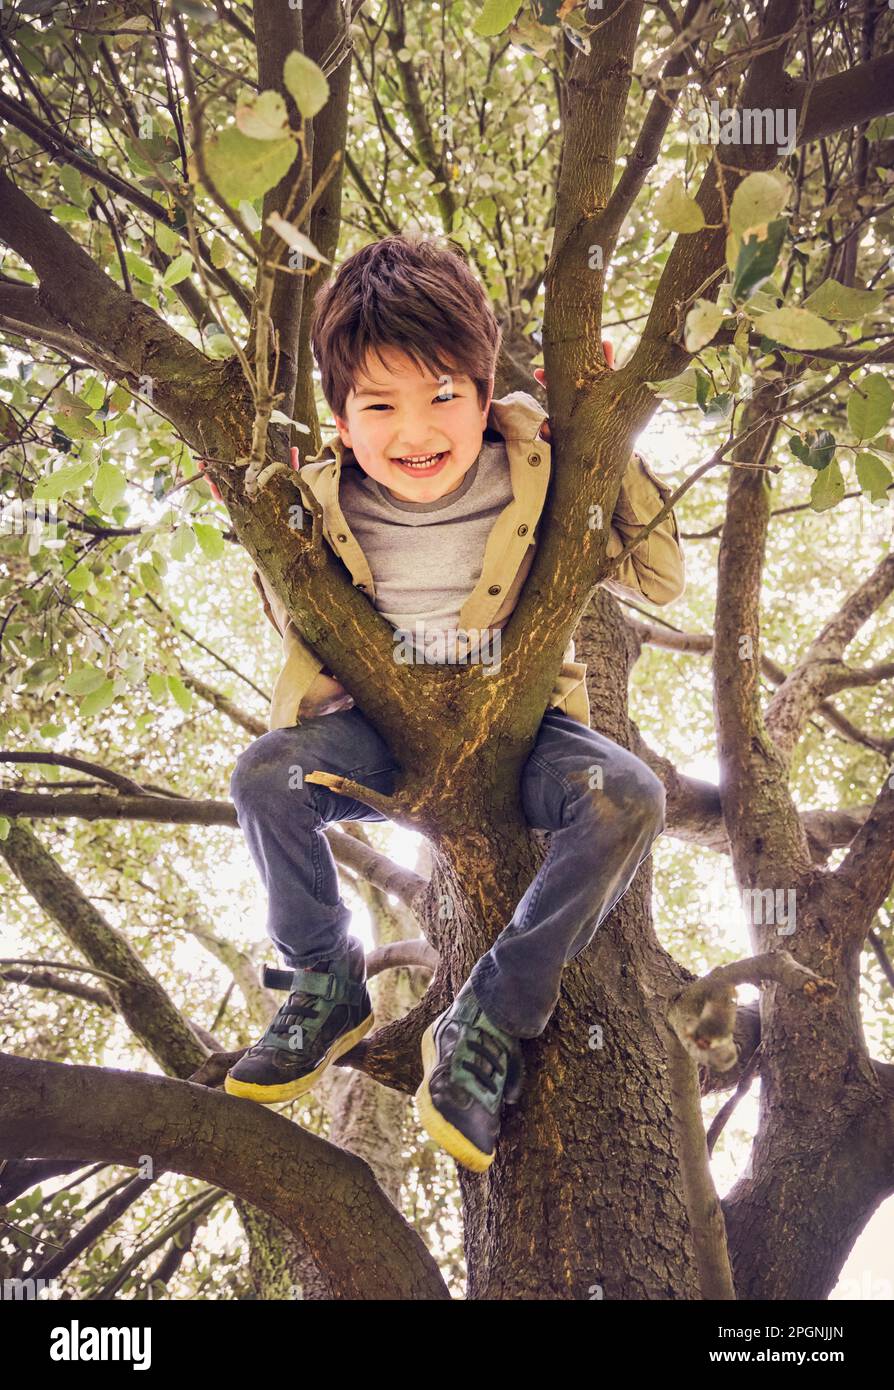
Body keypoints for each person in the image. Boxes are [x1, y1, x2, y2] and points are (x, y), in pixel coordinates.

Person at [224, 235, 685, 1172]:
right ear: (345, 423)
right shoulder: (317, 494)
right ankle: (326, 979)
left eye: (444, 395)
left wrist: (602, 431)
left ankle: (491, 1014)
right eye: (380, 405)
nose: (417, 429)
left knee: (627, 795)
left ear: (483, 395)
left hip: (520, 726)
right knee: (266, 773)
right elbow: (296, 609)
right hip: (380, 732)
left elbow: (662, 579)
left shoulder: (538, 458)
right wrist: (257, 502)